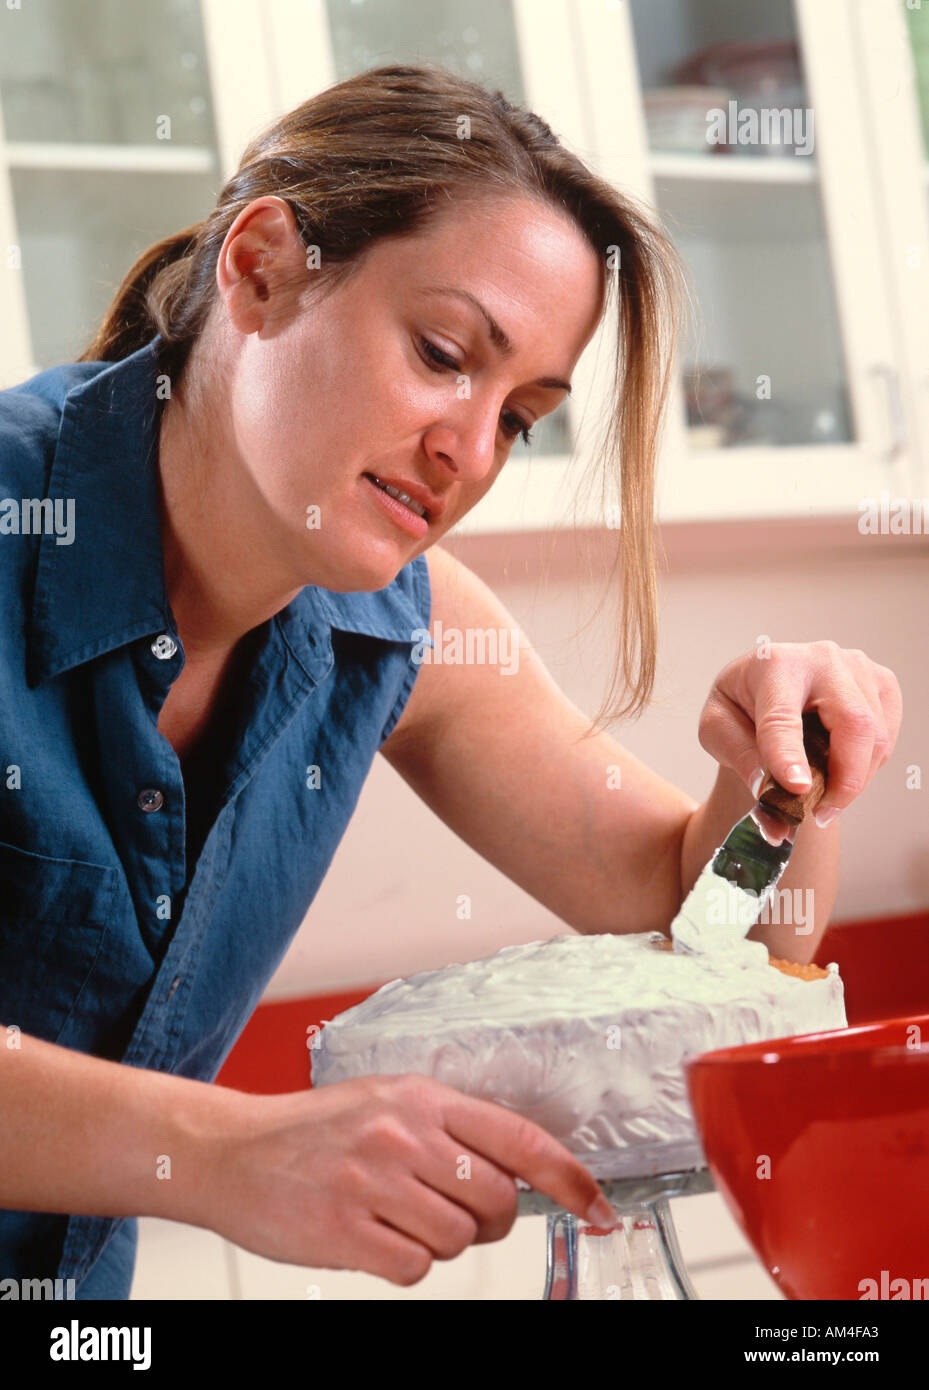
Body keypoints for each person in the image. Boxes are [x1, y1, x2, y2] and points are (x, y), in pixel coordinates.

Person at [0, 64, 901, 1300]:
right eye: (441, 354)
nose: (468, 452)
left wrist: (776, 781)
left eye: (521, 415)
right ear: (261, 268)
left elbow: (707, 935)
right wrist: (221, 1154)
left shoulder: (404, 625)